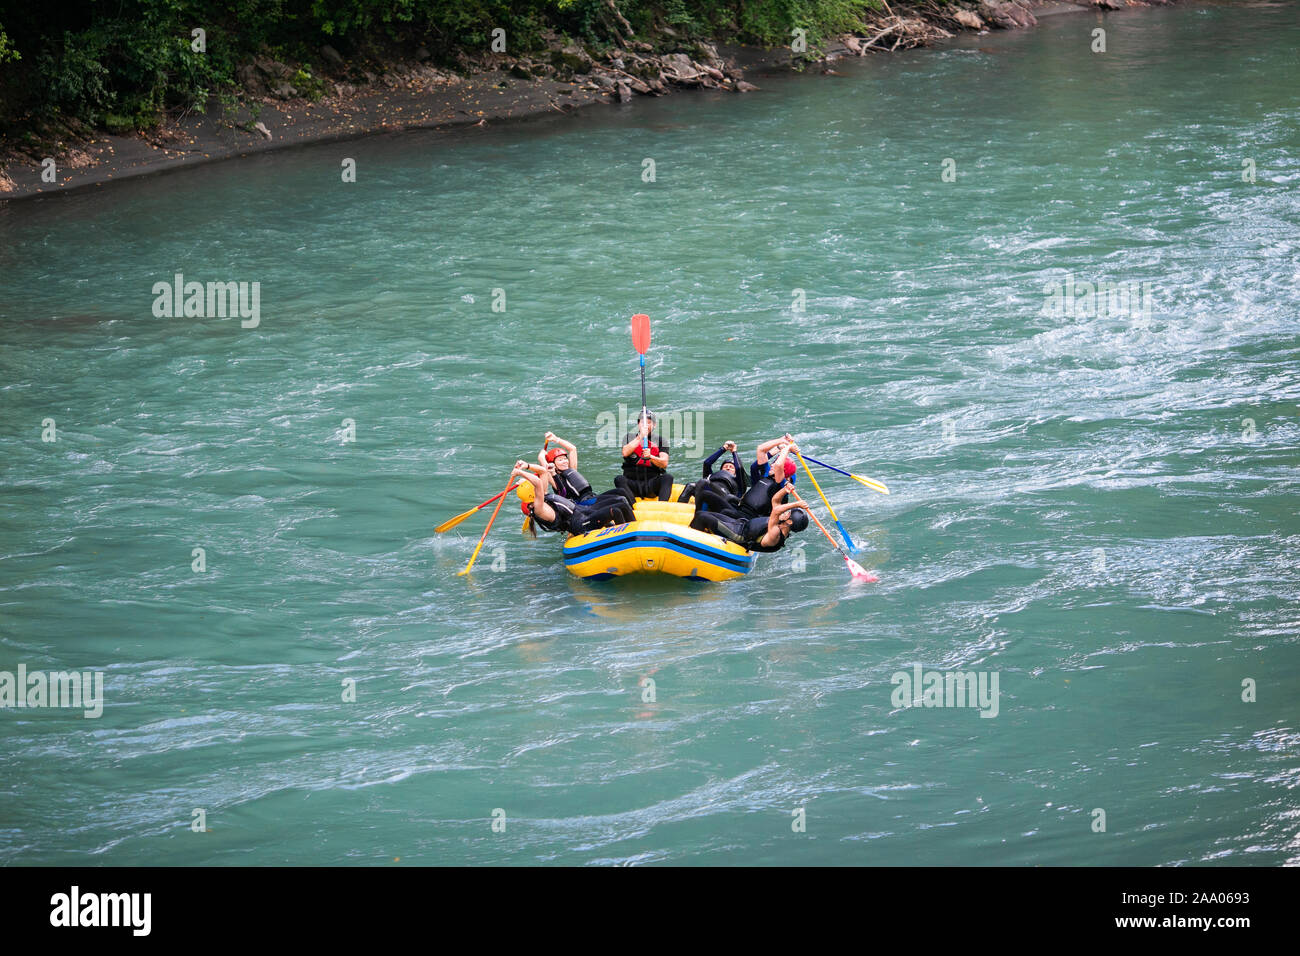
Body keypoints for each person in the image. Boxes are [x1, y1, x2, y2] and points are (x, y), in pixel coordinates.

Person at [513, 462, 635, 537]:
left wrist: (526, 466)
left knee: (621, 504)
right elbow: (538, 482)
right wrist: (520, 473)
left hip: (582, 512)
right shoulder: (539, 508)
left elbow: (543, 472)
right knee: (616, 510)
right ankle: (627, 540)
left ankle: (635, 531)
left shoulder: (543, 497)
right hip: (580, 524)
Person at [691, 484, 808, 553]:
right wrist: (785, 490)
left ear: (789, 522)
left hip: (738, 535)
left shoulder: (776, 535)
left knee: (702, 517)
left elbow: (776, 511)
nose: (785, 512)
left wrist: (796, 505)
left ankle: (692, 547)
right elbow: (775, 501)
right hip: (740, 524)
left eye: (788, 513)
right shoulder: (781, 524)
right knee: (700, 513)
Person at [615, 411, 673, 501]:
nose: (646, 426)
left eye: (649, 423)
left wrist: (651, 457)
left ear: (655, 425)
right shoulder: (629, 437)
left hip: (651, 484)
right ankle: (632, 506)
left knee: (668, 477)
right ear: (638, 424)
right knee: (619, 479)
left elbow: (664, 463)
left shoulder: (661, 440)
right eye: (643, 423)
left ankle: (662, 505)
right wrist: (641, 436)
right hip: (632, 483)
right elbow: (625, 452)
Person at [677, 440, 747, 503]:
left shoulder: (739, 481)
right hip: (707, 491)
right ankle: (679, 509)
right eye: (725, 466)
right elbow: (707, 463)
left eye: (731, 467)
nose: (728, 468)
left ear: (735, 473)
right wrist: (723, 449)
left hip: (724, 498)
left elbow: (739, 468)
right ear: (721, 470)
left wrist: (734, 451)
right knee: (691, 486)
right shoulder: (711, 476)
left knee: (704, 482)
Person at [538, 432, 595, 504]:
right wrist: (541, 458)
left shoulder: (572, 470)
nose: (565, 461)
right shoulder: (553, 478)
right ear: (553, 464)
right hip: (578, 506)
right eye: (560, 460)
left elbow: (572, 449)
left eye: (565, 458)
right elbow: (544, 468)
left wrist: (555, 439)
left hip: (591, 497)